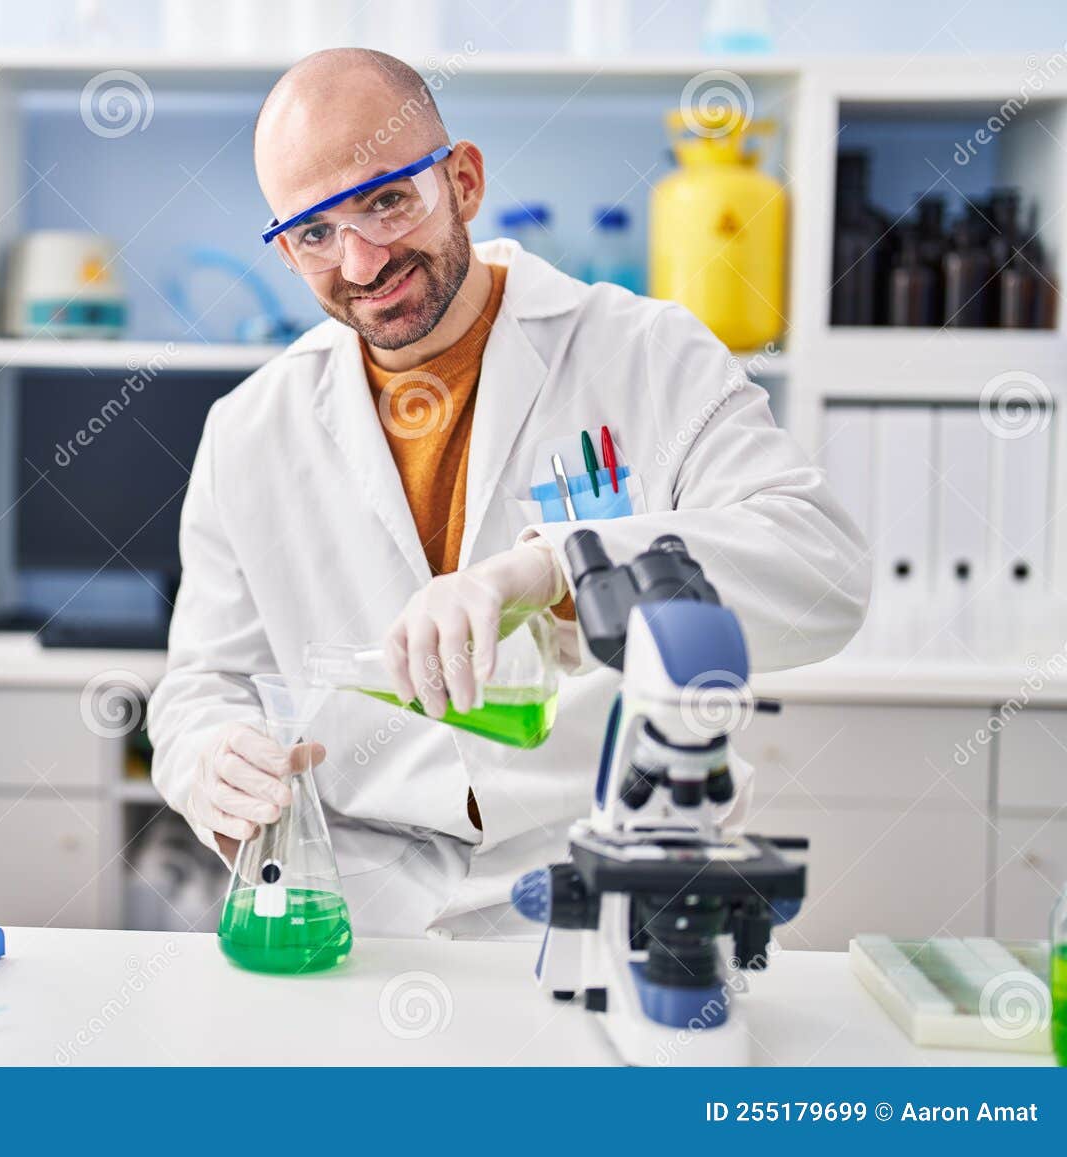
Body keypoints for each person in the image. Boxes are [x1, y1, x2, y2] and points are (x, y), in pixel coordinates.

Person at [146, 48, 870, 939]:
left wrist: (560, 568)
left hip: (615, 892)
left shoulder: (646, 354)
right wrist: (208, 759)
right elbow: (201, 686)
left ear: (463, 180)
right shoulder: (247, 431)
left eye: (386, 199)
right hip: (360, 910)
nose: (363, 260)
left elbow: (826, 575)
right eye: (314, 232)